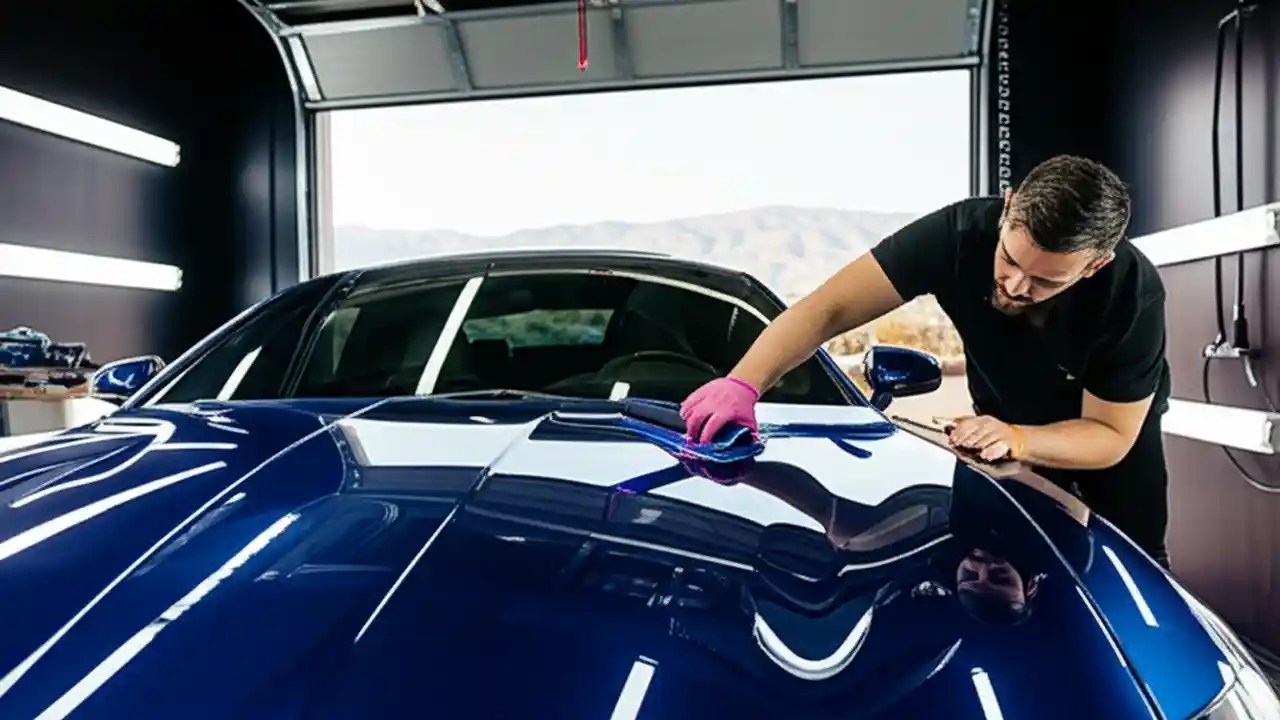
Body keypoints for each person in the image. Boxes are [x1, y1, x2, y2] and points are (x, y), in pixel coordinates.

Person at [679, 155, 1173, 568]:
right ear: (1006, 209)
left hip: (1104, 449)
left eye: (1046, 281)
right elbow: (827, 309)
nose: (1017, 285)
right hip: (993, 434)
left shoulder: (1131, 292)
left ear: (1095, 264)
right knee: (981, 566)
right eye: (1009, 259)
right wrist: (744, 383)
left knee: (1136, 578)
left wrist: (1020, 438)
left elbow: (1110, 435)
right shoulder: (955, 235)